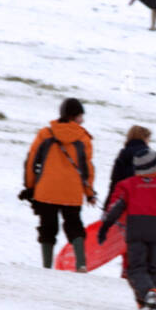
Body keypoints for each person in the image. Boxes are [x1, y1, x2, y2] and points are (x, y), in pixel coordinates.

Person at [98, 147, 156, 310]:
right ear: (155, 168)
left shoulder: (128, 186)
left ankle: (149, 294)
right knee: (153, 268)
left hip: (136, 230)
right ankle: (153, 304)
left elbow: (116, 208)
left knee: (136, 269)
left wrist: (105, 227)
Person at [20, 97, 97, 270]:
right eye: (80, 116)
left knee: (47, 228)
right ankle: (81, 264)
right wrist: (89, 193)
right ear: (75, 116)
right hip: (72, 192)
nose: (82, 120)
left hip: (46, 190)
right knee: (75, 226)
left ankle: (47, 266)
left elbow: (32, 162)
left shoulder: (45, 134)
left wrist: (30, 186)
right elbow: (87, 169)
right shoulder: (83, 138)